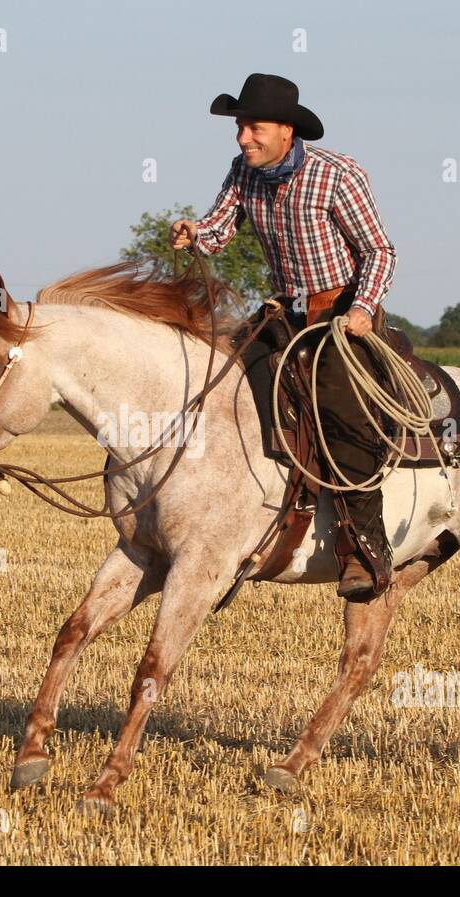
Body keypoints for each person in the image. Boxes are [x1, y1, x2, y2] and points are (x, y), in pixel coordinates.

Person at [171, 72, 398, 600]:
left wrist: (362, 309)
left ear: (286, 131)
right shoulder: (243, 172)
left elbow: (381, 252)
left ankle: (364, 548)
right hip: (282, 313)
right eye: (240, 127)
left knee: (341, 413)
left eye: (254, 127)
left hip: (342, 314)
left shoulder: (338, 176)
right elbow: (220, 228)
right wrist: (194, 234)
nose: (243, 138)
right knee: (219, 383)